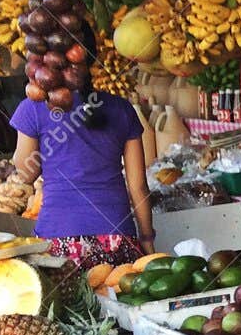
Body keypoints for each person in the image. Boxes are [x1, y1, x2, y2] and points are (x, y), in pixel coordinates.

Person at [12, 36, 153, 269]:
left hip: (57, 245)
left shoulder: (33, 108)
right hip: (117, 240)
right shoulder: (122, 109)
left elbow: (26, 173)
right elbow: (138, 187)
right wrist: (147, 241)